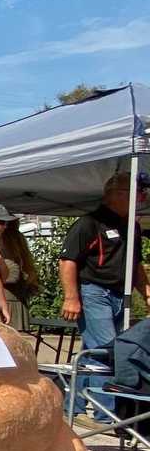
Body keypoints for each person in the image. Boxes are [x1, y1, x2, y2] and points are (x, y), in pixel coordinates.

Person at [59, 171, 150, 422]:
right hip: (94, 292)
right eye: (135, 193)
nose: (141, 198)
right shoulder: (89, 223)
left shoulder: (132, 226)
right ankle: (105, 415)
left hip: (121, 294)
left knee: (95, 352)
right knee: (111, 351)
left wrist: (146, 291)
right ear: (114, 195)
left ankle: (74, 408)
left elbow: (136, 264)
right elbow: (68, 261)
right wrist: (71, 297)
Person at [0, 222, 39, 332]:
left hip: (10, 305)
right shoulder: (21, 257)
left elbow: (12, 276)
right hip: (16, 303)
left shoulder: (9, 259)